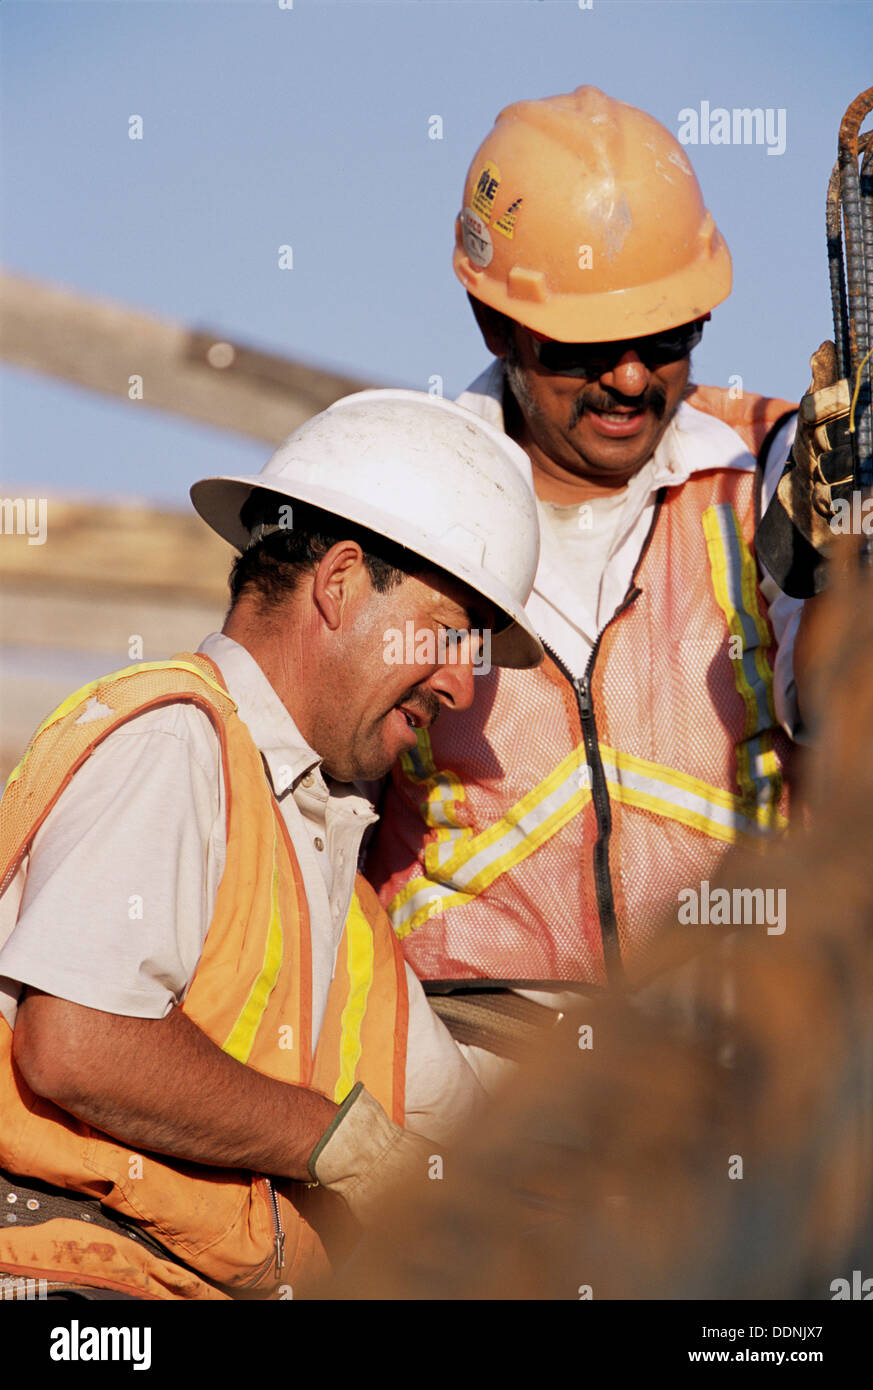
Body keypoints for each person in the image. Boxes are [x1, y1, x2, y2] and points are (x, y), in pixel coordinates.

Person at [0, 387, 543, 1300]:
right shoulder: (175, 740)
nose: (460, 685)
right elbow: (78, 1041)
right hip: (60, 1279)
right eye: (450, 637)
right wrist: (329, 1139)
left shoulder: (320, 854)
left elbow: (467, 1128)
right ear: (336, 582)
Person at [364, 87, 816, 1077]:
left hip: (736, 1053)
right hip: (465, 1057)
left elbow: (837, 708)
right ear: (495, 325)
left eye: (664, 336)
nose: (629, 378)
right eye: (583, 345)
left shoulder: (777, 468)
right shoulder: (396, 499)